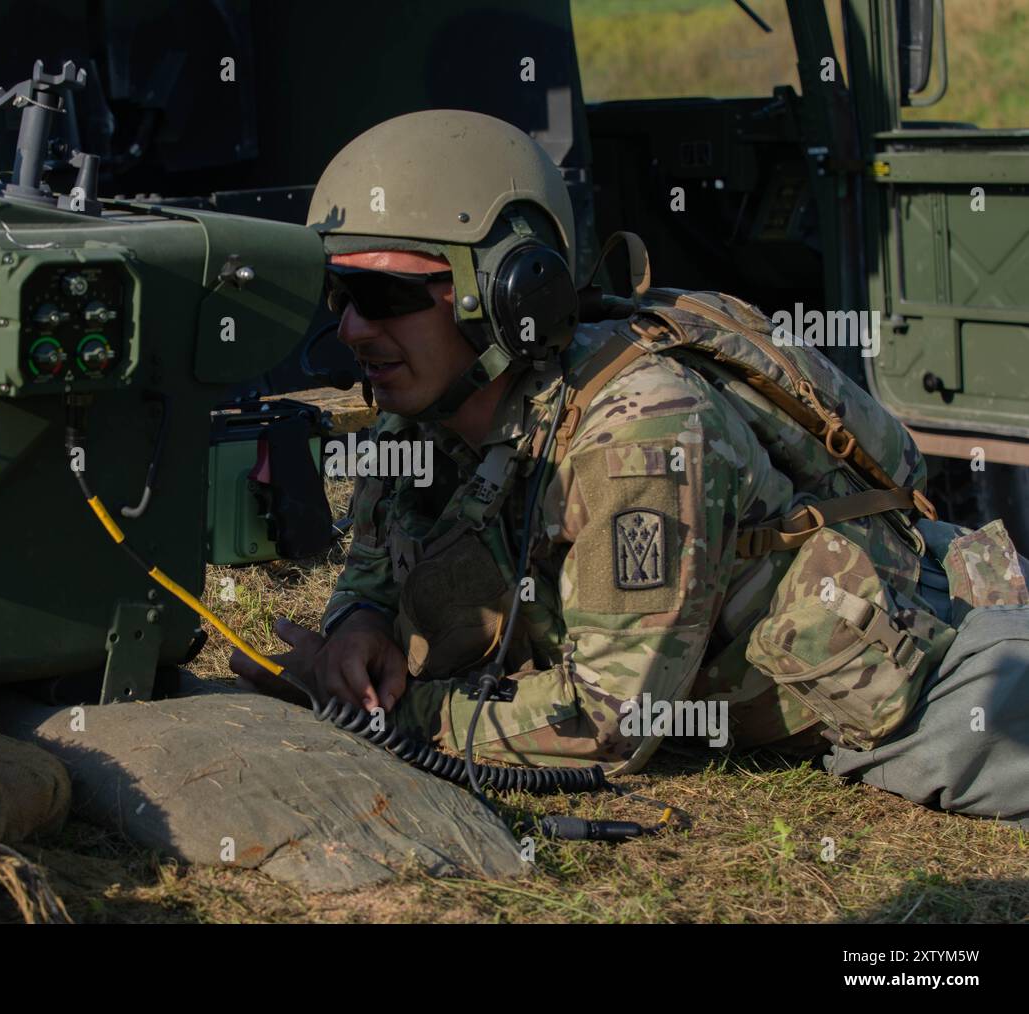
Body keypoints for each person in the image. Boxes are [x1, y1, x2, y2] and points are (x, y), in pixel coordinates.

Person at [230, 109, 1029, 828]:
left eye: (384, 295)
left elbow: (606, 725)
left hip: (938, 671)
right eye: (339, 292)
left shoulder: (641, 435)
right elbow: (372, 569)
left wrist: (380, 717)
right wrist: (356, 634)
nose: (352, 327)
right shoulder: (423, 404)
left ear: (509, 291)